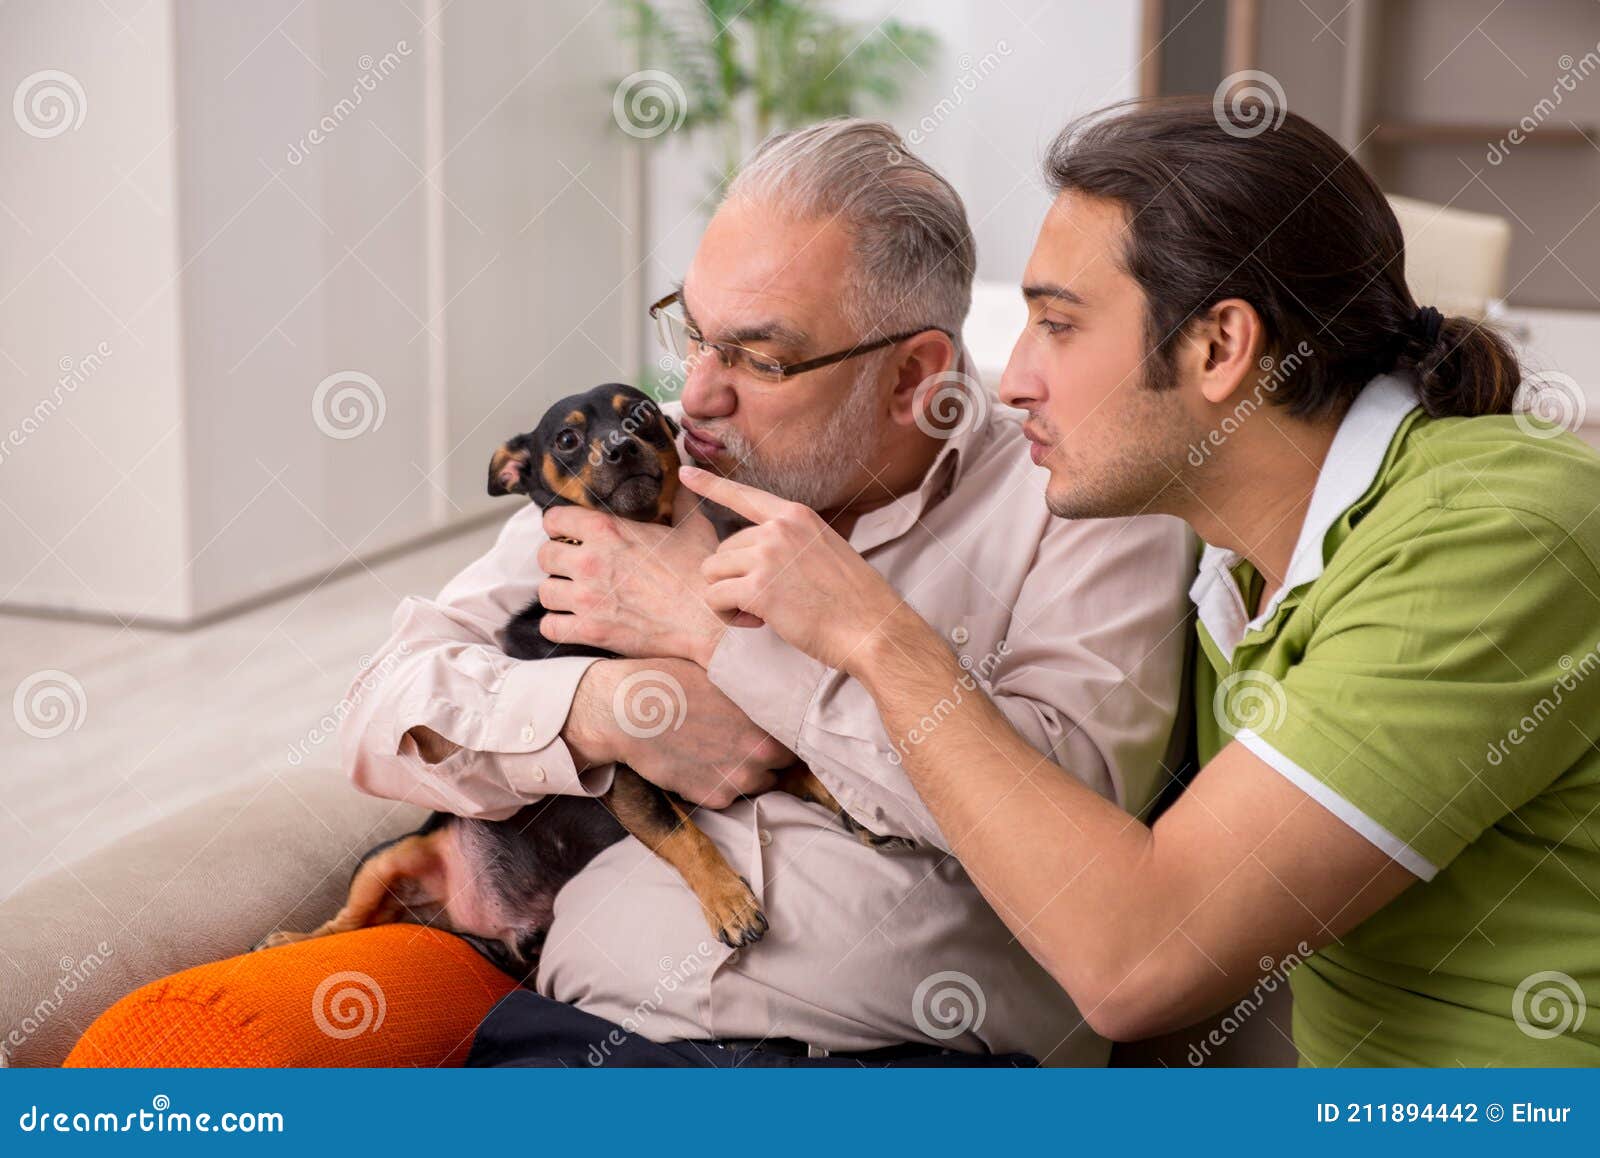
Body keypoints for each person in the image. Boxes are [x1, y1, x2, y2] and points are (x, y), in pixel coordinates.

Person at [67, 119, 1194, 1068]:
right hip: (575, 1034)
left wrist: (715, 640)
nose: (694, 393)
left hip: (894, 1058)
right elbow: (379, 710)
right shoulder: (648, 474)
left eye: (757, 357)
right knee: (148, 1073)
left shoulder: (1079, 502)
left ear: (913, 377)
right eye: (690, 331)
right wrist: (596, 715)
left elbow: (1059, 842)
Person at [681, 99, 1600, 1067]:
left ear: (1218, 348)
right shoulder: (1238, 569)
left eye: (1056, 325)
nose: (1013, 379)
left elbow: (1139, 957)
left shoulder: (1490, 535)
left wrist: (875, 634)